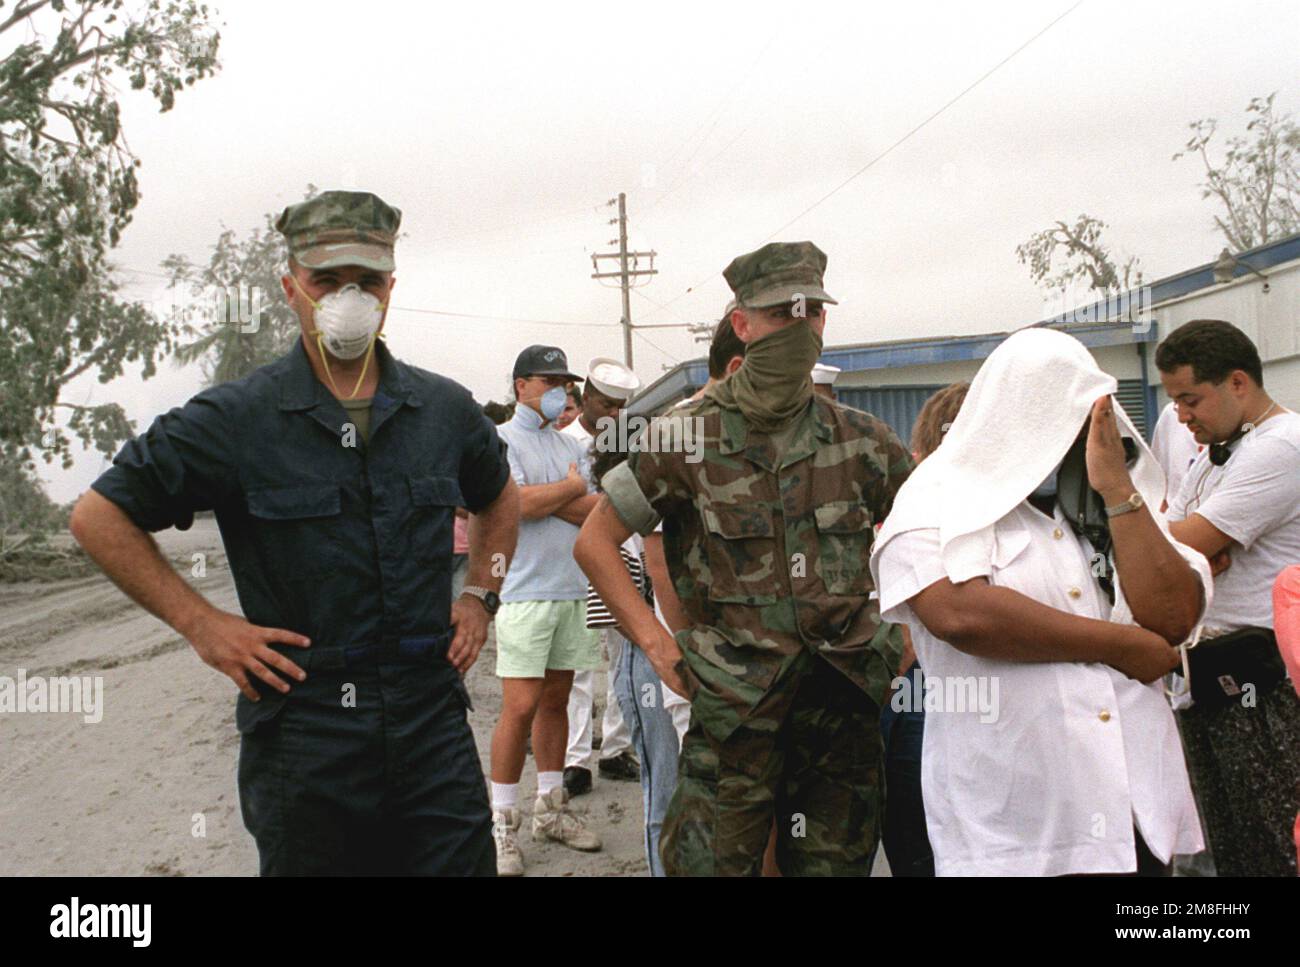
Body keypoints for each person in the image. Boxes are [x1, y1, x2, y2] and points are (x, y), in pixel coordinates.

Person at [68, 190, 519, 875]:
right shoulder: (238, 419)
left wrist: (481, 595)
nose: (350, 298)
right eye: (327, 281)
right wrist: (202, 624)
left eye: (367, 281)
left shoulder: (445, 410)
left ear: (391, 287)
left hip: (430, 723)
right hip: (307, 733)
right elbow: (99, 515)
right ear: (290, 288)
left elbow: (500, 498)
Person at [576, 241, 913, 876]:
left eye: (812, 311)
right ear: (743, 325)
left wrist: (904, 638)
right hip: (734, 718)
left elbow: (929, 535)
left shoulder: (863, 440)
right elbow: (594, 543)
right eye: (782, 312)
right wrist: (657, 644)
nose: (800, 325)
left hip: (839, 718)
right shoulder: (683, 435)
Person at [870, 328, 1211, 876]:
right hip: (1018, 832)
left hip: (1132, 817)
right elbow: (961, 614)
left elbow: (1172, 616)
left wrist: (1118, 493)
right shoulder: (934, 498)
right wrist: (1118, 645)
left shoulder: (1118, 499)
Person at [1157, 319, 1300, 877]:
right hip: (1209, 677)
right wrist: (1185, 549)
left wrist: (1186, 547)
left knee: (1273, 849)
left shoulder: (1282, 446)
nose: (1182, 416)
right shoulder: (1218, 447)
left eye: (1190, 399)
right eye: (1174, 403)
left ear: (1238, 382)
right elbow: (1173, 544)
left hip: (1263, 686)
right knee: (1231, 853)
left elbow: (1175, 547)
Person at [488, 345, 603, 876]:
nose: (560, 391)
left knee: (557, 700)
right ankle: (502, 823)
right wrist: (569, 490)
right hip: (523, 591)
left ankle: (550, 807)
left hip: (570, 589)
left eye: (565, 382)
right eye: (549, 381)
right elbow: (514, 505)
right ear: (521, 386)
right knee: (520, 706)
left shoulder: (567, 444)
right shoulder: (500, 441)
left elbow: (592, 512)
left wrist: (552, 496)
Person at [877, 381, 969, 878]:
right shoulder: (898, 510)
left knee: (922, 834)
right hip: (901, 686)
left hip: (919, 687)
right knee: (915, 832)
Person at [562, 358, 643, 796]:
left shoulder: (630, 442)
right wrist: (615, 508)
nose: (614, 414)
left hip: (625, 557)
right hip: (574, 560)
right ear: (586, 398)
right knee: (578, 663)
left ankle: (615, 748)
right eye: (607, 404)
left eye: (621, 407)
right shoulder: (562, 442)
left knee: (625, 656)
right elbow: (562, 506)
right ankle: (576, 761)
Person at [1149, 400, 1203, 511]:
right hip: (1175, 519)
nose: (1181, 418)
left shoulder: (1246, 428)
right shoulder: (1171, 415)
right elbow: (1157, 481)